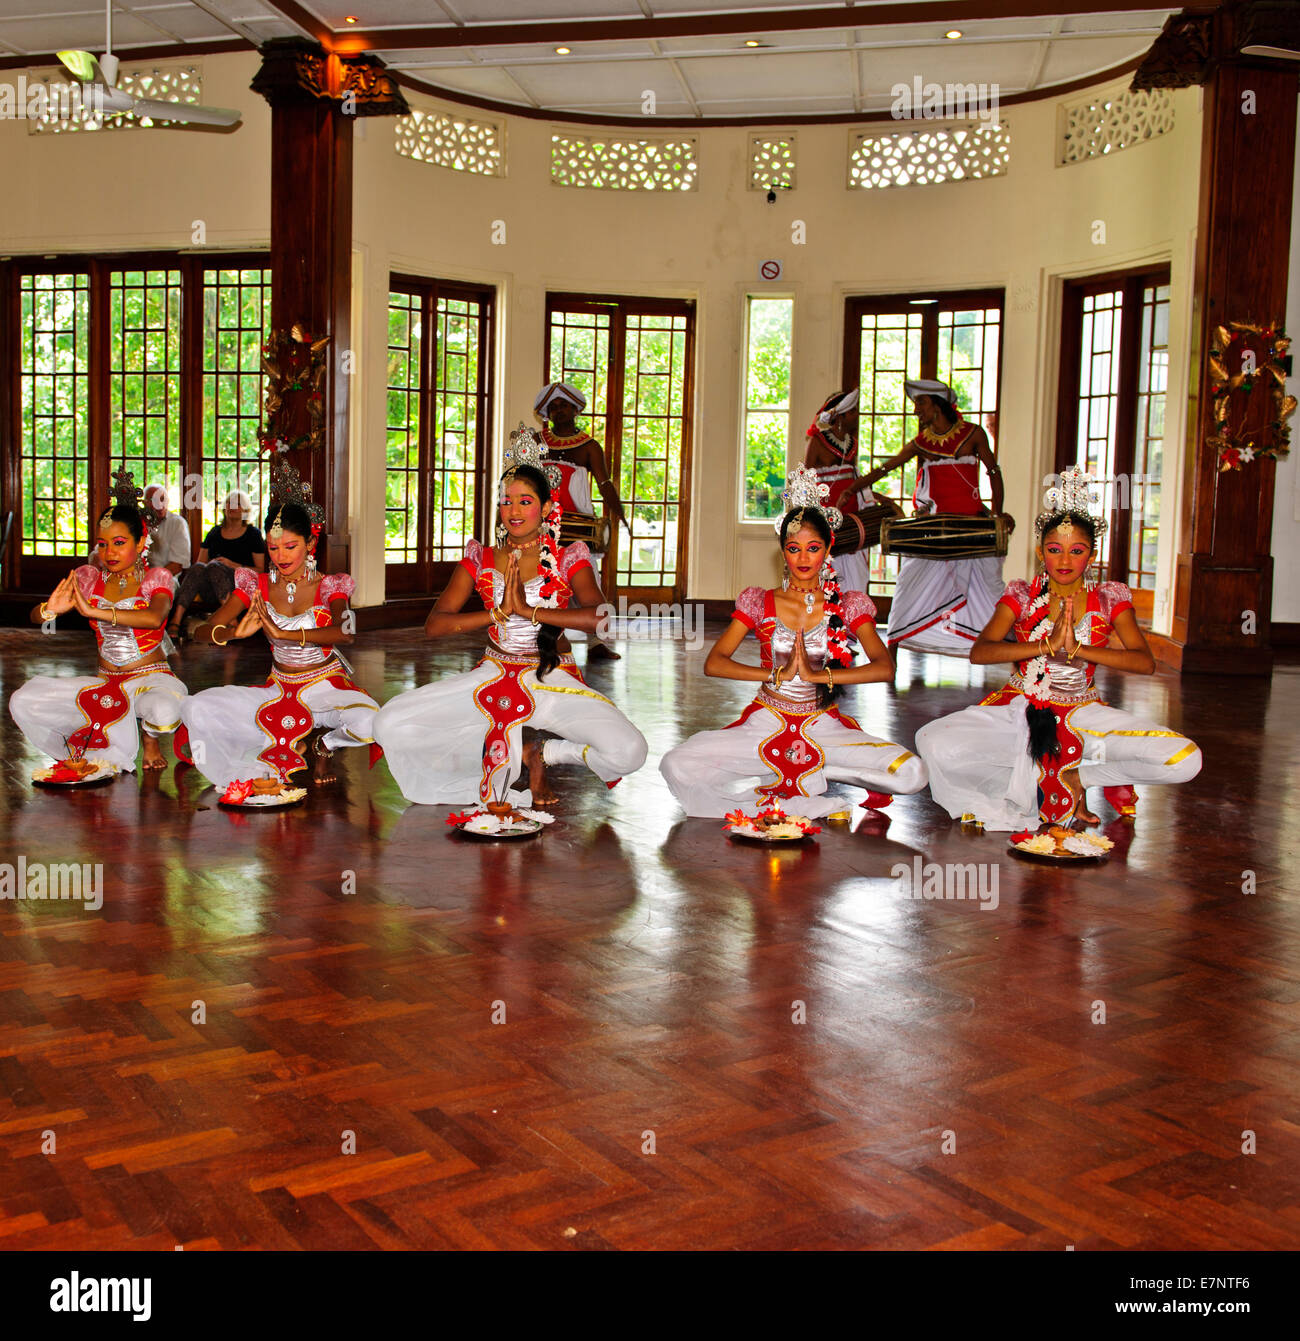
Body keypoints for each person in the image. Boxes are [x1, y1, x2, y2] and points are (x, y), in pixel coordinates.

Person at [915, 466, 1201, 830]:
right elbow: (981, 652)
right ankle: (1040, 770)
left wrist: (1080, 651)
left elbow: (1144, 663)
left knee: (1184, 758)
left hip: (1084, 710)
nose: (1065, 562)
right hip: (1019, 708)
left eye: (1076, 551)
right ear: (1041, 552)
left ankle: (1086, 774)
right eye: (1055, 550)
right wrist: (1043, 646)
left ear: (1091, 556)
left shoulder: (1109, 597)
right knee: (933, 741)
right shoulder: (1021, 594)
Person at [373, 428, 648, 807]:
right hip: (495, 674)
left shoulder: (571, 558)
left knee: (630, 751)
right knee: (387, 723)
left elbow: (602, 620)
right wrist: (496, 613)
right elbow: (435, 626)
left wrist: (530, 611)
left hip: (553, 674)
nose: (514, 511)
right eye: (506, 502)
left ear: (548, 508)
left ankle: (545, 753)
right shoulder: (479, 558)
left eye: (525, 501)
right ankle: (507, 749)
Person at [659, 466, 927, 819]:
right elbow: (716, 662)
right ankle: (794, 783)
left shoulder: (848, 604)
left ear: (829, 547)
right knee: (677, 763)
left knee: (912, 773)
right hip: (766, 721)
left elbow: (884, 668)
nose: (803, 559)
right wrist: (774, 676)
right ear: (783, 551)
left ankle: (823, 769)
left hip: (822, 724)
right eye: (794, 548)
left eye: (813, 548)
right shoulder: (759, 601)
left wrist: (820, 678)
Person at [178, 495, 378, 789]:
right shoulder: (256, 585)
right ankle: (282, 738)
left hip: (324, 687)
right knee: (197, 706)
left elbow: (345, 632)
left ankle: (325, 745)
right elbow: (202, 631)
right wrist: (233, 633)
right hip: (279, 688)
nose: (281, 556)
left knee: (370, 722)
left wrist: (287, 635)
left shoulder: (330, 585)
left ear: (310, 544)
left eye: (290, 547)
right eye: (273, 548)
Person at [10, 471, 187, 773]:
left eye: (119, 542)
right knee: (22, 700)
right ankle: (112, 722)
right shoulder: (89, 578)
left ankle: (149, 737)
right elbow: (36, 618)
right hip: (106, 682)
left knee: (164, 711)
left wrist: (97, 612)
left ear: (142, 541)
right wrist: (47, 611)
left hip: (149, 678)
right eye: (102, 544)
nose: (109, 552)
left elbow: (154, 617)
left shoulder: (158, 578)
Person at [859, 378, 1011, 656]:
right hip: (936, 530)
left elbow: (993, 472)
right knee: (909, 583)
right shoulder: (921, 443)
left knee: (989, 589)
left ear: (935, 403)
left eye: (920, 403)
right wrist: (854, 488)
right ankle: (891, 651)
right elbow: (886, 468)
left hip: (972, 526)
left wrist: (999, 513)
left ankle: (1005, 649)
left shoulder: (973, 433)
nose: (916, 410)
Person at [535, 380, 625, 660]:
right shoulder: (538, 442)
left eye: (564, 406)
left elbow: (604, 482)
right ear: (547, 413)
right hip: (544, 522)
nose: (559, 410)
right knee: (544, 579)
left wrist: (617, 509)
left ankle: (598, 643)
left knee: (588, 580)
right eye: (554, 406)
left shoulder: (589, 446)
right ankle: (548, 638)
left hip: (577, 525)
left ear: (575, 410)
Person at [167, 488, 266, 642]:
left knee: (215, 567)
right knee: (202, 567)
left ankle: (231, 620)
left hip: (238, 590)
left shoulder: (253, 534)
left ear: (245, 509)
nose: (232, 507)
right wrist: (215, 565)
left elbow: (260, 570)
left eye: (237, 504)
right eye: (229, 503)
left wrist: (233, 565)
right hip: (211, 588)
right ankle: (176, 621)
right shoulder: (214, 532)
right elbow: (200, 563)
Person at [802, 388, 872, 594]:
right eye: (853, 412)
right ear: (840, 417)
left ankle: (853, 613)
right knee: (828, 569)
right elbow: (806, 480)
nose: (857, 416)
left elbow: (855, 478)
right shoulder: (818, 442)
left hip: (851, 516)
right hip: (827, 516)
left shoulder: (853, 444)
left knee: (854, 566)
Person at [141, 484, 192, 577]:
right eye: (154, 500)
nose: (160, 505)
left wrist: (150, 578)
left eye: (163, 499)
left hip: (166, 577)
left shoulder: (177, 523)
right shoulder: (138, 523)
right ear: (145, 503)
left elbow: (177, 565)